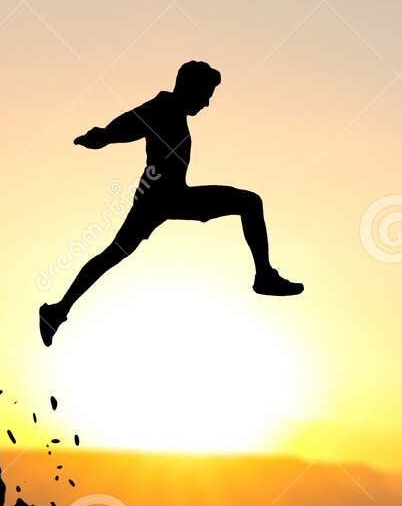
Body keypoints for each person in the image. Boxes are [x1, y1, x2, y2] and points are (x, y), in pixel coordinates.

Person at [37, 60, 303, 346]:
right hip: (162, 197)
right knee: (249, 202)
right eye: (206, 95)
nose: (207, 103)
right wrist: (103, 136)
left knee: (114, 253)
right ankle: (264, 277)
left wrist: (105, 135)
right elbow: (131, 123)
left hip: (169, 195)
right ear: (191, 88)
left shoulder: (171, 110)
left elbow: (130, 124)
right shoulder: (162, 107)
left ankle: (58, 310)